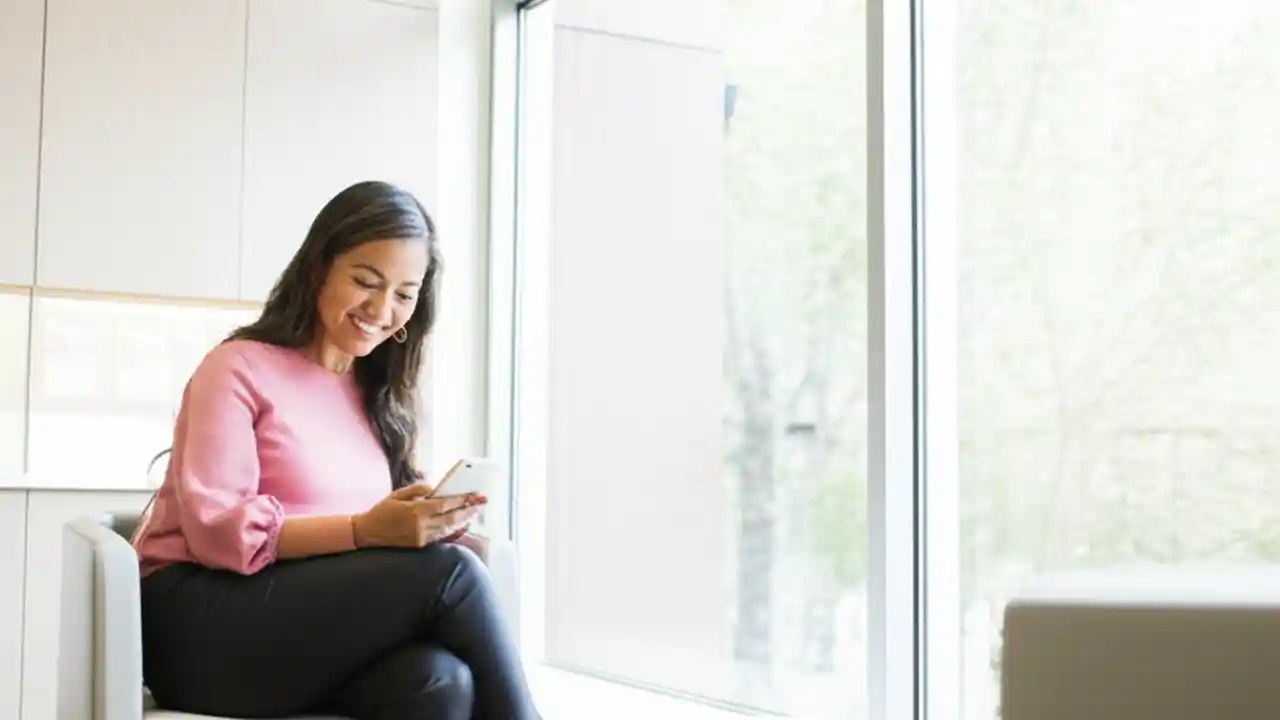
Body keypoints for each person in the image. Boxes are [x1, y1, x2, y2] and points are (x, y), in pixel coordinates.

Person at [131, 181, 539, 720]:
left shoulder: (379, 397)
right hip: (201, 627)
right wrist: (367, 531)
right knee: (450, 574)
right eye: (366, 281)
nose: (382, 307)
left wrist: (421, 524)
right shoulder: (236, 367)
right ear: (320, 267)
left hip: (304, 637)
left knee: (441, 682)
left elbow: (364, 558)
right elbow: (215, 533)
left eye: (404, 293)